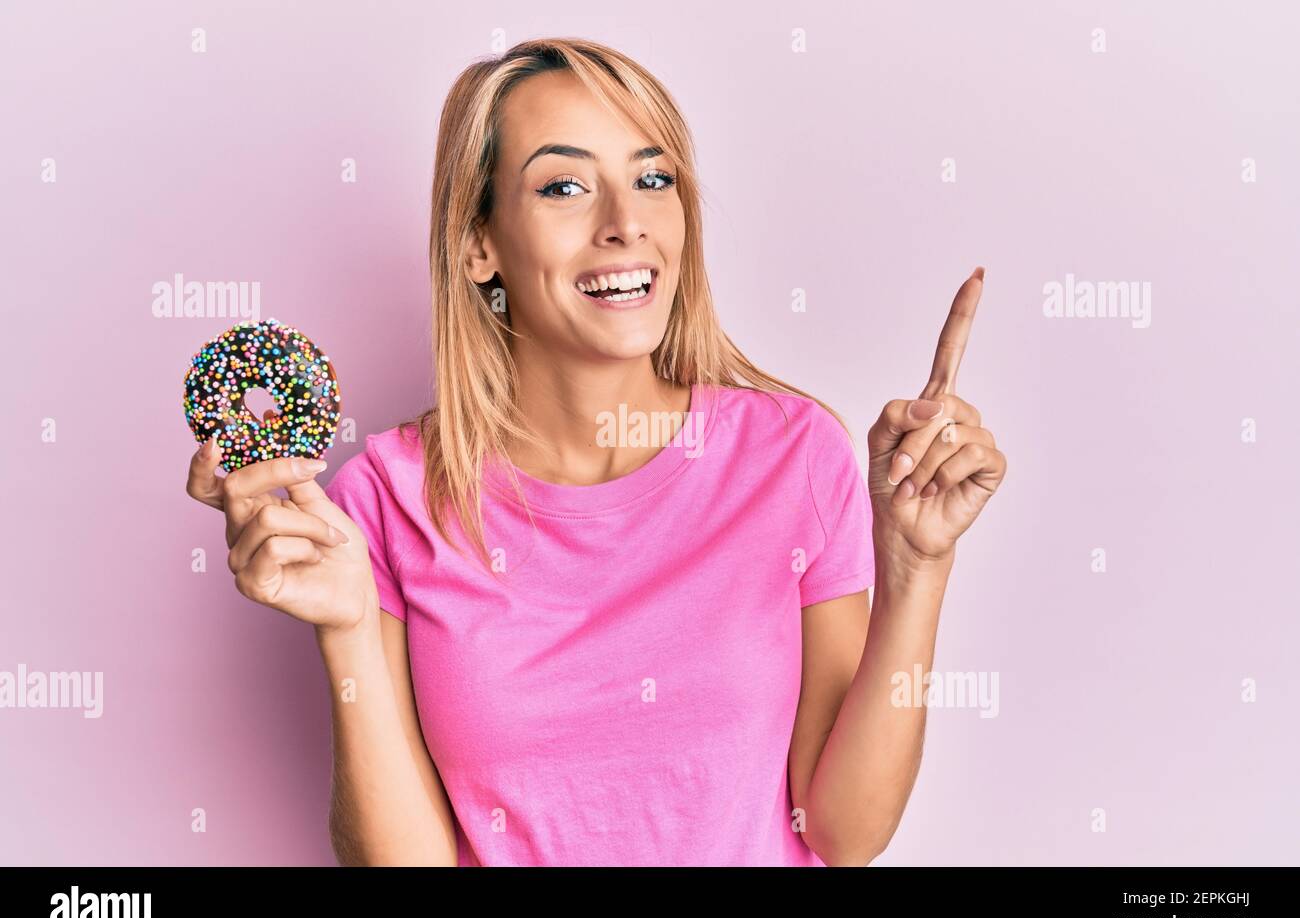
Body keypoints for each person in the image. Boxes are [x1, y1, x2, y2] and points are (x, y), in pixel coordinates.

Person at [185, 37, 1007, 866]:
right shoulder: (388, 498)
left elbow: (841, 833)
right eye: (565, 186)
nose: (626, 223)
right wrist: (349, 629)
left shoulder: (791, 457)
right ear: (479, 247)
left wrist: (914, 567)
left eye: (654, 178)